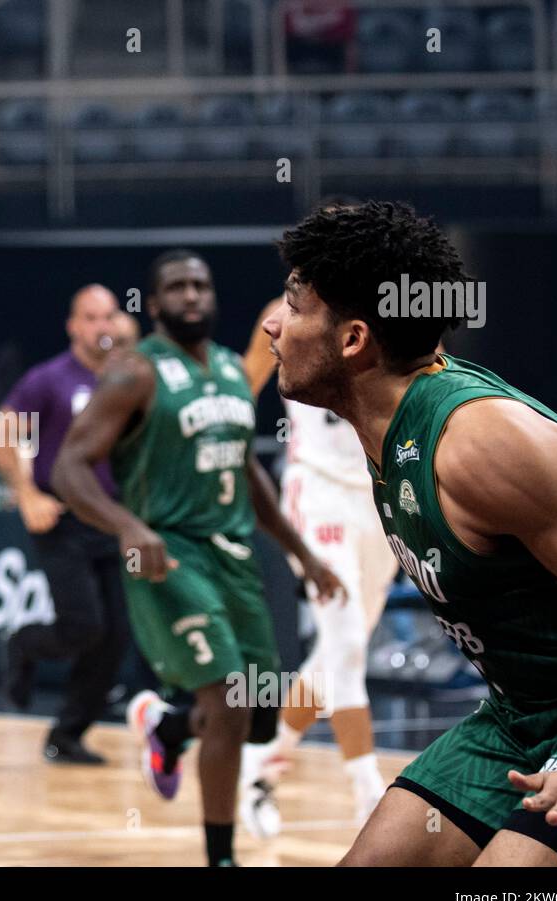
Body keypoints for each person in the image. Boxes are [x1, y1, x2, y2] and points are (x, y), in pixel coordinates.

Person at [265, 200, 557, 867]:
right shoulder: (381, 431)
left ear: (352, 341)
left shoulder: (478, 443)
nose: (273, 326)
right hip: (521, 715)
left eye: (294, 307)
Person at [52, 251, 343, 865]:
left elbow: (247, 472)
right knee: (231, 704)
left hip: (234, 558)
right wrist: (127, 527)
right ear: (154, 306)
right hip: (169, 557)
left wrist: (303, 556)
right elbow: (68, 467)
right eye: (177, 287)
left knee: (261, 715)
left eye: (201, 286)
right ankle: (221, 857)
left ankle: (170, 727)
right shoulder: (134, 372)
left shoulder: (237, 373)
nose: (191, 295)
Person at [243, 207, 398, 826]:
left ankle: (262, 764)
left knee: (335, 657)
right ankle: (370, 795)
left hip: (374, 496)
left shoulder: (383, 317)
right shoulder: (280, 319)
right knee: (348, 649)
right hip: (317, 494)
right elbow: (236, 389)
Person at [0, 284, 134, 764]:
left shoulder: (125, 379)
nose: (101, 326)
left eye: (109, 316)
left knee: (116, 638)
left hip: (112, 521)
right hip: (61, 519)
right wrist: (26, 493)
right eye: (91, 317)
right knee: (84, 625)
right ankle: (24, 643)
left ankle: (68, 733)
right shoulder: (50, 379)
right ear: (74, 326)